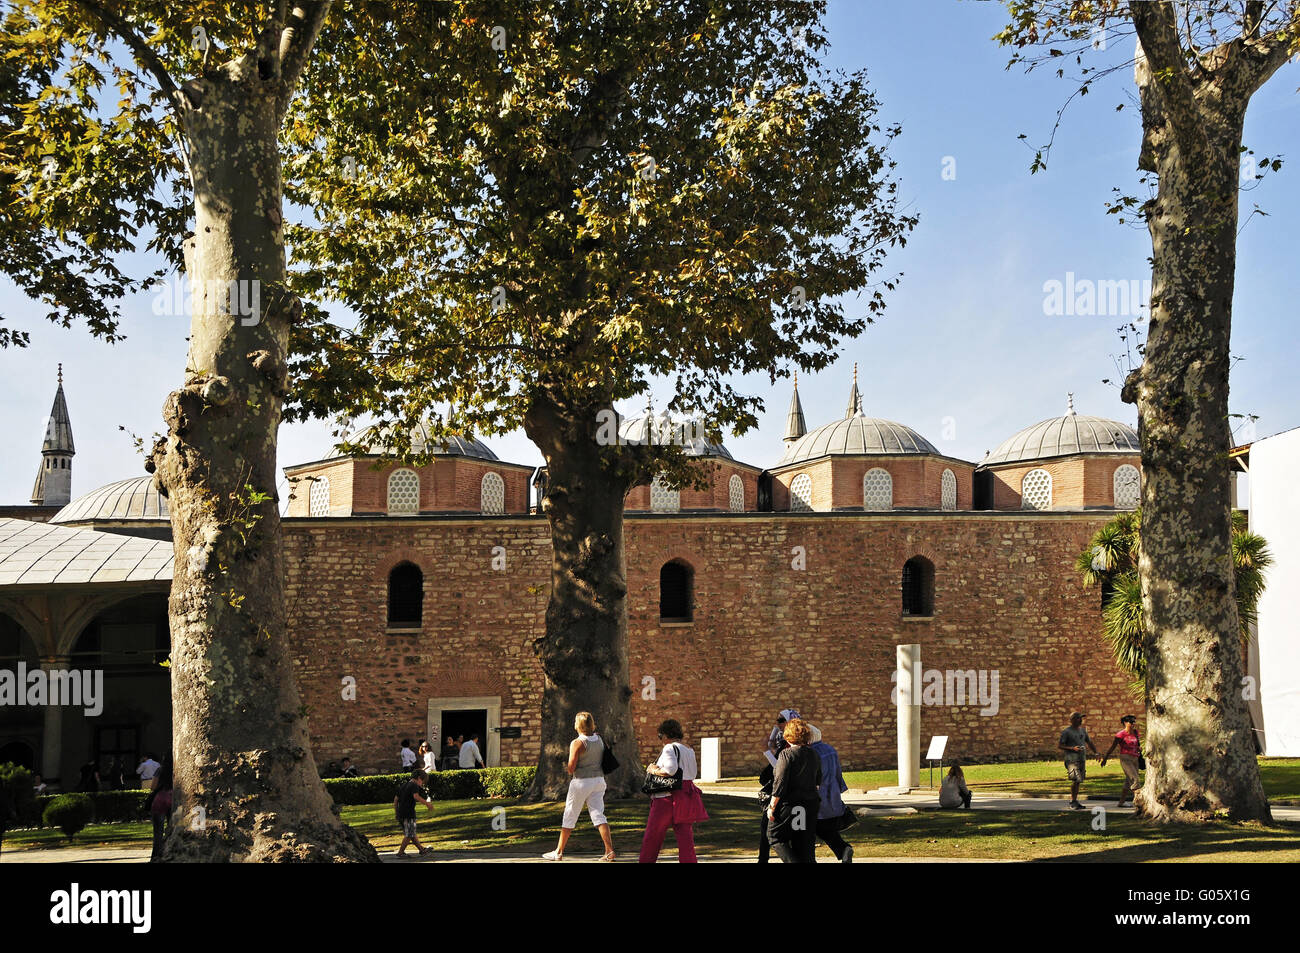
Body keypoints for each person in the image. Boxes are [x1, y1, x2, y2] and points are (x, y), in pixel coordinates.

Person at [542, 711, 617, 861]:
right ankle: (609, 851)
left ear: (578, 725)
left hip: (582, 781)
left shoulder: (577, 743)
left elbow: (571, 767)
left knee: (570, 815)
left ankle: (558, 851)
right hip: (599, 780)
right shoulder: (599, 739)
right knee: (598, 815)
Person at [639, 719, 708, 863]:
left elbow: (671, 770)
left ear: (665, 735)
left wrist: (654, 770)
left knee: (653, 836)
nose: (660, 740)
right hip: (686, 795)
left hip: (666, 798)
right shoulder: (689, 749)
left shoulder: (669, 748)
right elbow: (693, 773)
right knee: (685, 838)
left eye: (660, 736)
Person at [767, 717, 822, 863]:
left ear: (788, 735)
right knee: (804, 843)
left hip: (791, 804)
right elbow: (817, 783)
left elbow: (780, 782)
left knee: (774, 835)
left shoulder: (786, 754)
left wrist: (772, 806)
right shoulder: (814, 754)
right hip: (810, 803)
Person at [758, 707, 799, 863]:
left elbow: (781, 769)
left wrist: (766, 752)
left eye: (781, 720)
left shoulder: (792, 746)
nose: (778, 724)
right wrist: (773, 747)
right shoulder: (784, 743)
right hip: (787, 794)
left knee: (772, 833)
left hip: (784, 794)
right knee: (768, 831)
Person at [809, 725, 854, 862]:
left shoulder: (810, 752)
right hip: (831, 792)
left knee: (811, 828)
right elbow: (837, 772)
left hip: (817, 793)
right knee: (822, 827)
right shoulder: (830, 749)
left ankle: (842, 849)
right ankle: (843, 849)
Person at [1101, 714, 1143, 807]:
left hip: (1135, 758)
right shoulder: (1120, 734)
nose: (1133, 724)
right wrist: (1105, 758)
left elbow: (1137, 744)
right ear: (1125, 723)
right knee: (1134, 779)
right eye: (1131, 722)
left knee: (1128, 781)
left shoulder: (1136, 733)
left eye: (1134, 722)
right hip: (1126, 758)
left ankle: (1121, 802)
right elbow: (1113, 746)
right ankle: (1139, 802)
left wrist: (1139, 748)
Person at [1058, 711, 1098, 810]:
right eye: (1077, 718)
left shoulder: (1083, 731)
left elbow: (1089, 742)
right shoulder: (1067, 732)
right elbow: (1060, 745)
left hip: (1081, 759)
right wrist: (1072, 748)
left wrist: (1096, 753)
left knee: (1078, 781)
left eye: (1080, 718)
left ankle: (1075, 800)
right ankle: (1072, 801)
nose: (1080, 720)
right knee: (1076, 779)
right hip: (1071, 760)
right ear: (1072, 720)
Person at [394, 769, 435, 857]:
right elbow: (416, 796)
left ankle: (422, 850)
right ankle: (400, 853)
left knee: (411, 833)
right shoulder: (414, 785)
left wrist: (396, 812)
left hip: (401, 813)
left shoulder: (403, 785)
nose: (422, 784)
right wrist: (427, 804)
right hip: (409, 813)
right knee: (409, 834)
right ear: (419, 778)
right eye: (422, 782)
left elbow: (396, 799)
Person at [148, 757, 174, 862]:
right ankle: (169, 851)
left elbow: (153, 786)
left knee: (158, 832)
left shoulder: (160, 769)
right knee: (172, 829)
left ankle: (156, 856)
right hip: (174, 799)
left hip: (160, 800)